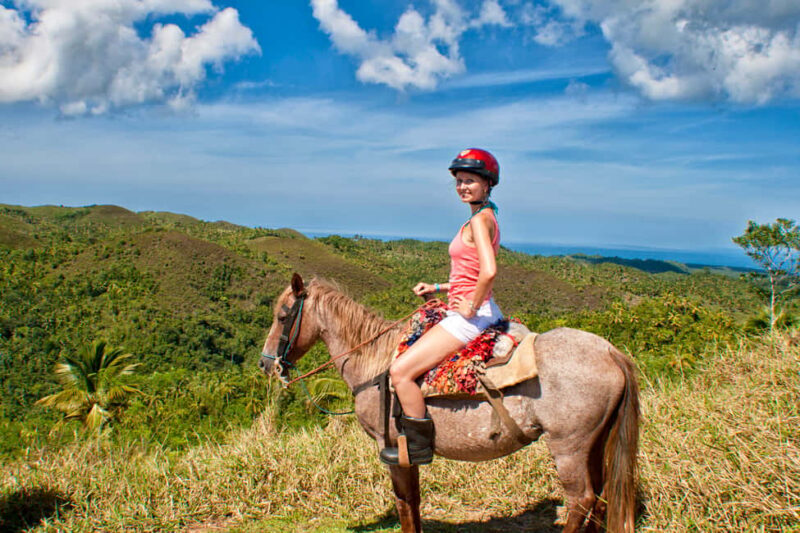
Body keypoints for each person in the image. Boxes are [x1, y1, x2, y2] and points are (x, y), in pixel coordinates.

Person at [380, 148, 503, 466]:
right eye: (459, 181)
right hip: (475, 309)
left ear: (487, 184)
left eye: (470, 181)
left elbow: (489, 272)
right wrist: (437, 288)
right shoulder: (485, 216)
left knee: (400, 372)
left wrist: (470, 307)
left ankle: (419, 449)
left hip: (471, 318)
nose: (463, 187)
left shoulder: (479, 221)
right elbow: (469, 274)